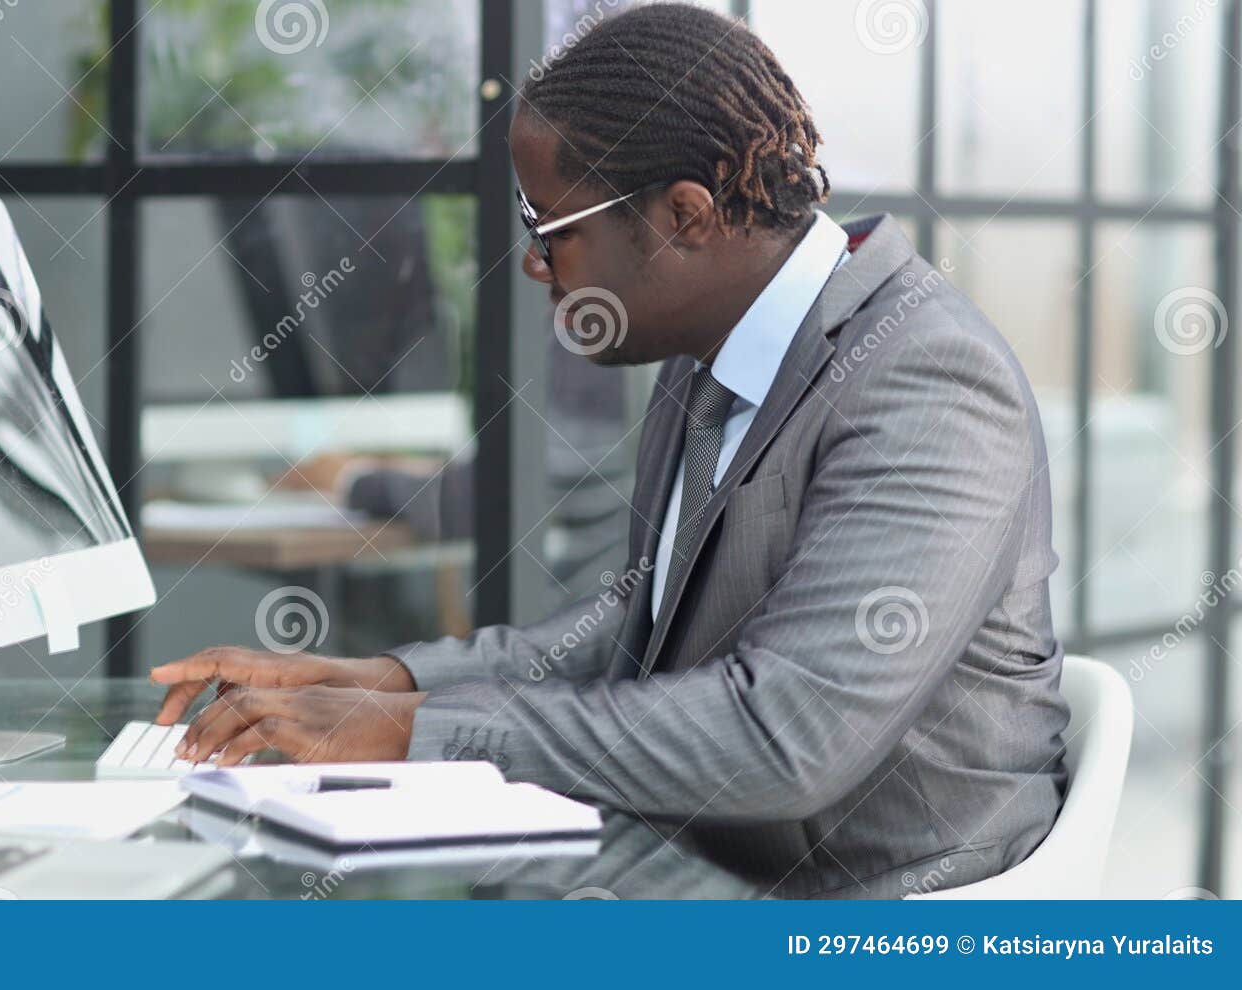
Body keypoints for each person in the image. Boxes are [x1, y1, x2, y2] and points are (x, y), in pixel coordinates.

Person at [148, 3, 1069, 898]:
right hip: (694, 865)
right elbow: (635, 634)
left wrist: (412, 730)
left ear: (684, 216)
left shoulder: (926, 381)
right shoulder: (710, 353)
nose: (534, 266)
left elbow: (785, 738)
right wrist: (389, 681)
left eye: (552, 232)